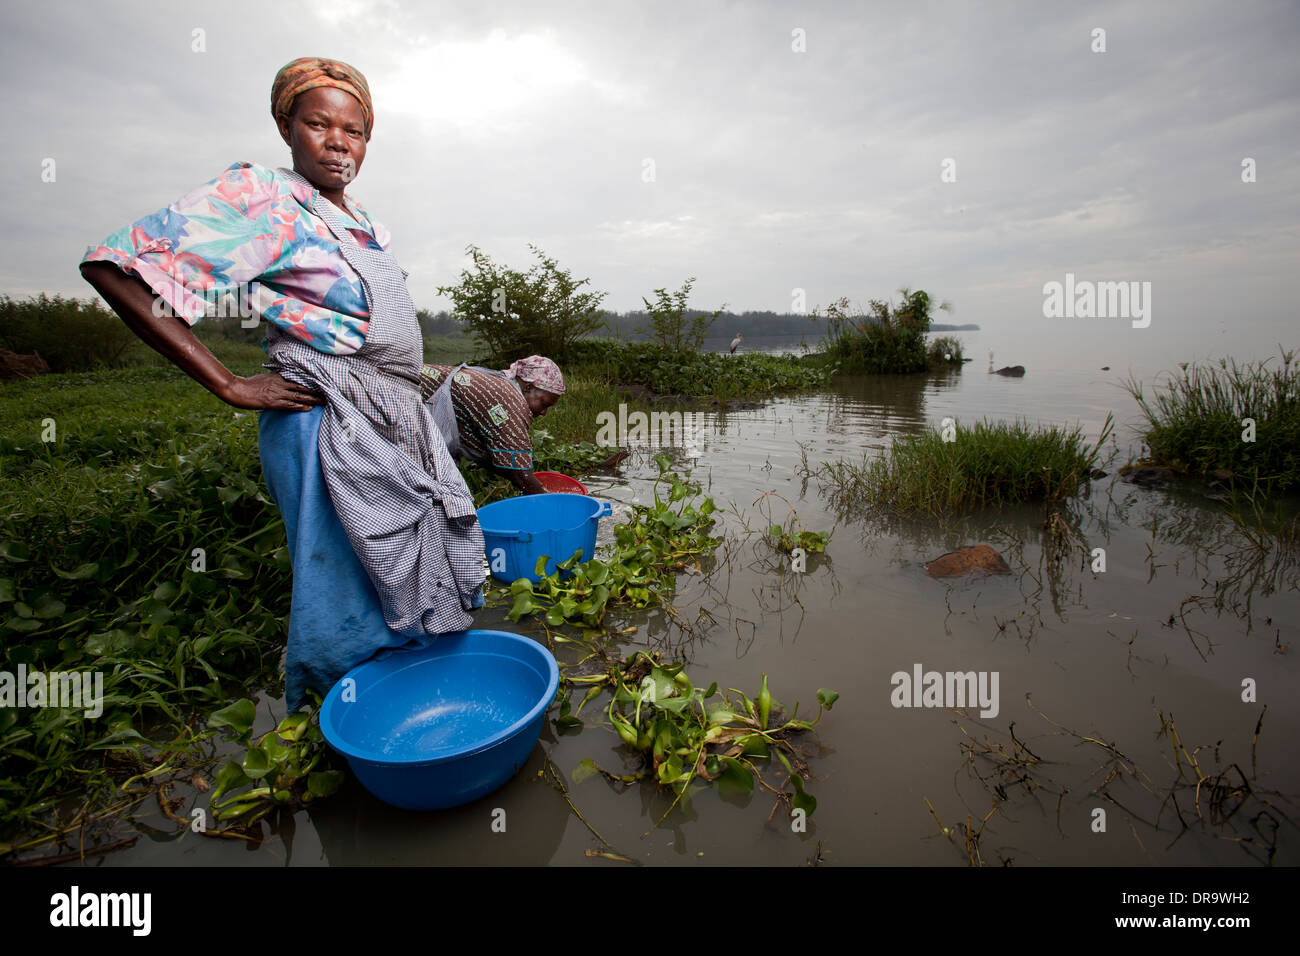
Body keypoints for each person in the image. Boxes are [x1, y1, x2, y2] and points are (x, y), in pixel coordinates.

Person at [78, 56, 485, 711]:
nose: (336, 142)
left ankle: (405, 706)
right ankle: (344, 729)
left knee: (399, 572)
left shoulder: (364, 223)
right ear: (286, 126)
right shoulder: (263, 198)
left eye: (353, 131)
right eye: (317, 124)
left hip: (386, 415)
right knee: (349, 590)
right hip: (324, 419)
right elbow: (119, 270)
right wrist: (230, 385)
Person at [419, 355, 563, 495]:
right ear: (528, 388)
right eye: (544, 404)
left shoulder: (502, 384)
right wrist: (547, 500)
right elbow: (521, 474)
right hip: (405, 397)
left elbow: (504, 461)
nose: (544, 412)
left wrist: (528, 482)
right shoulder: (510, 400)